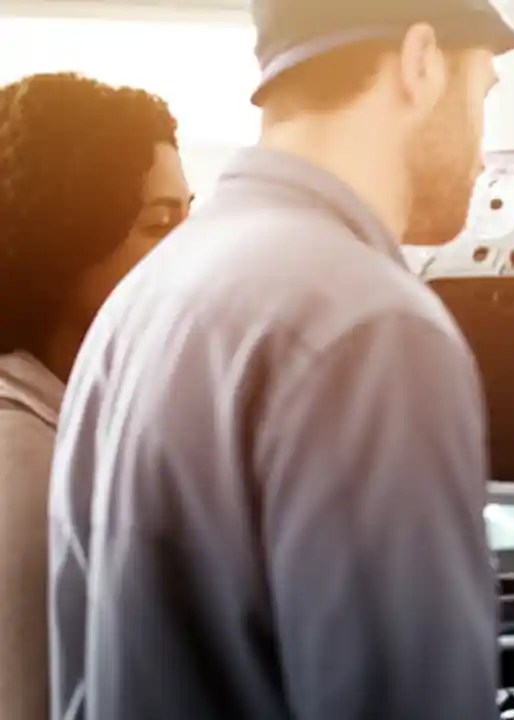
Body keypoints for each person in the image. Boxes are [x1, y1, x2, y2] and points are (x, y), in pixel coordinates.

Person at [47, 2, 514, 719]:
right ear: (421, 61)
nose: (483, 150)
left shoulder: (145, 296)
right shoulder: (372, 325)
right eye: (483, 94)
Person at [0, 72, 190, 720]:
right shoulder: (22, 460)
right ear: (68, 239)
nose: (191, 252)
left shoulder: (72, 418)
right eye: (160, 225)